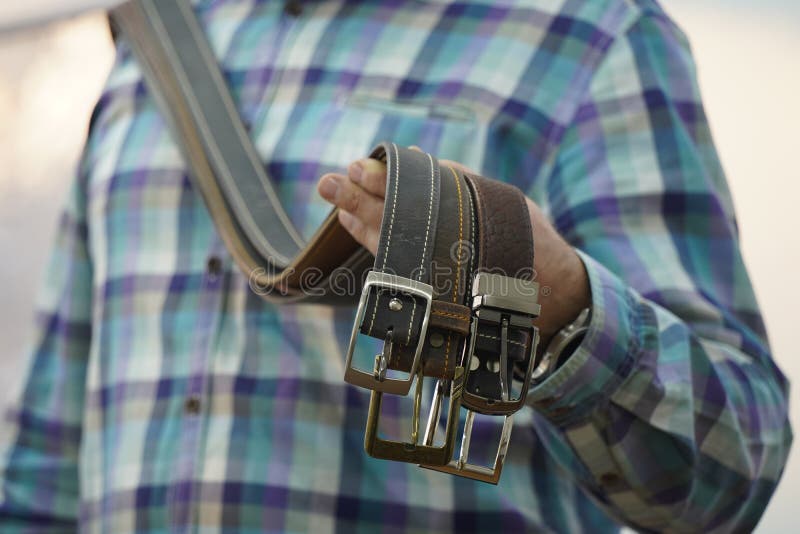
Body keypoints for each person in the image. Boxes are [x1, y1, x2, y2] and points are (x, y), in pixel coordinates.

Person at [0, 0, 792, 532]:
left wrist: (560, 304)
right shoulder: (156, 39)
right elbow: (43, 461)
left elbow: (733, 468)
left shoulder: (594, 32)